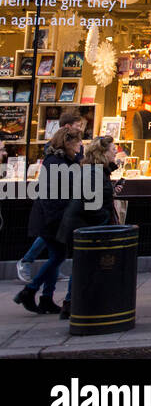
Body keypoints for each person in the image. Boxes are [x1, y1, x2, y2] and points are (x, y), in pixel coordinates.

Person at [13, 117, 84, 315]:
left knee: (57, 256)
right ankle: (31, 290)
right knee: (58, 256)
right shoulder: (55, 163)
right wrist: (59, 220)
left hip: (55, 218)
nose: (80, 146)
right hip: (52, 219)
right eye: (78, 142)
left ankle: (45, 297)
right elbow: (51, 197)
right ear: (68, 143)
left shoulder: (65, 160)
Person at [55, 134, 118, 318]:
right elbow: (91, 202)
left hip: (85, 225)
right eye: (113, 151)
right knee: (86, 265)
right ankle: (75, 303)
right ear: (103, 153)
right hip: (84, 226)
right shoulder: (93, 172)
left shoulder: (95, 170)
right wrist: (104, 218)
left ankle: (74, 302)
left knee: (84, 265)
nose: (116, 154)